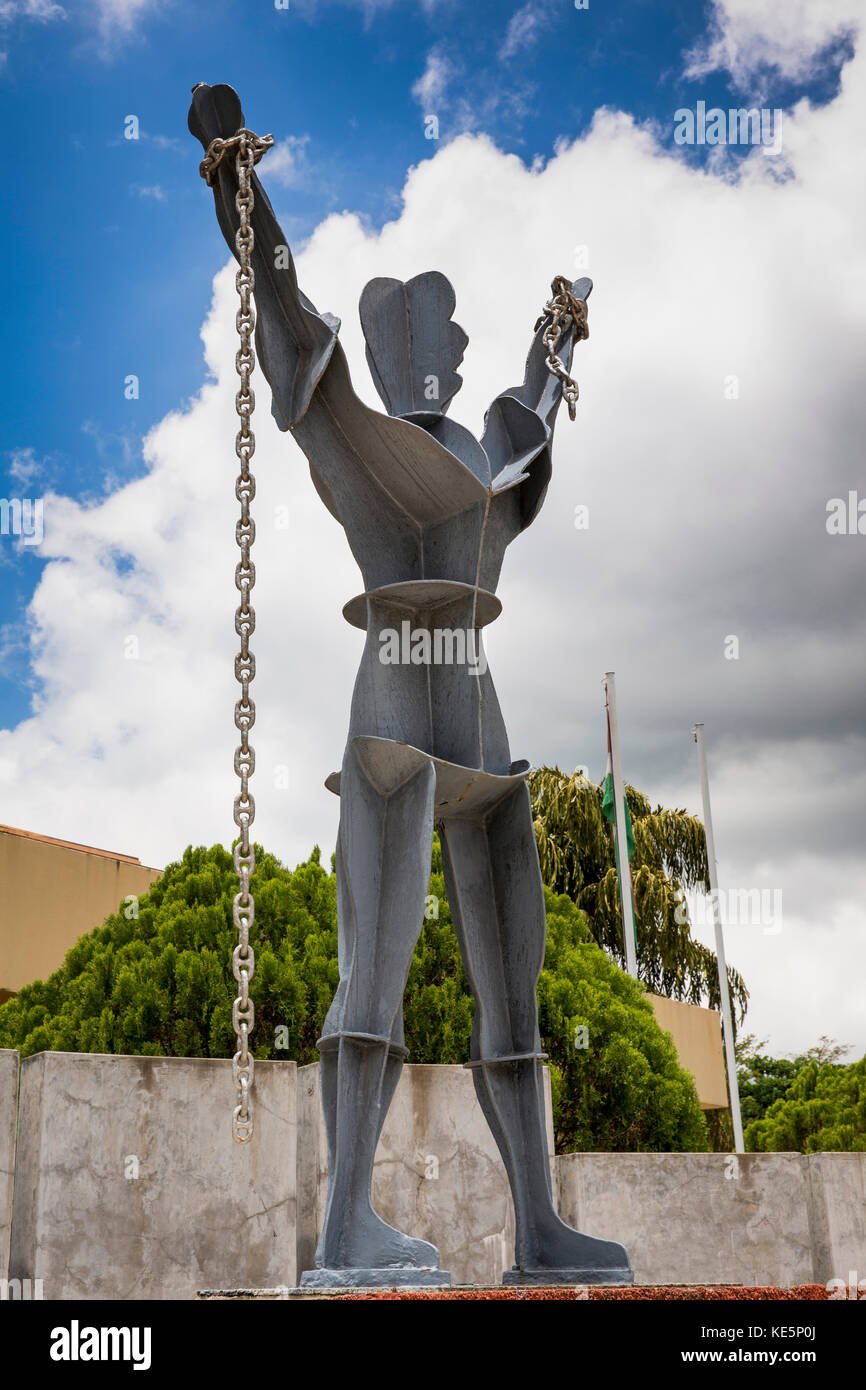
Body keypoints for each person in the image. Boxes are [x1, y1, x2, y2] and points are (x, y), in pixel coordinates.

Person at [189, 82, 632, 1287]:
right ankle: (345, 1231)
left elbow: (538, 410)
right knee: (368, 966)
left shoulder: (487, 463)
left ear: (450, 352)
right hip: (391, 703)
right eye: (400, 347)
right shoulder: (357, 434)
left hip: (476, 715)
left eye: (431, 343)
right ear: (390, 360)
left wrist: (561, 329)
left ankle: (536, 1227)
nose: (417, 357)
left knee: (514, 977)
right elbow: (297, 336)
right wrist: (240, 188)